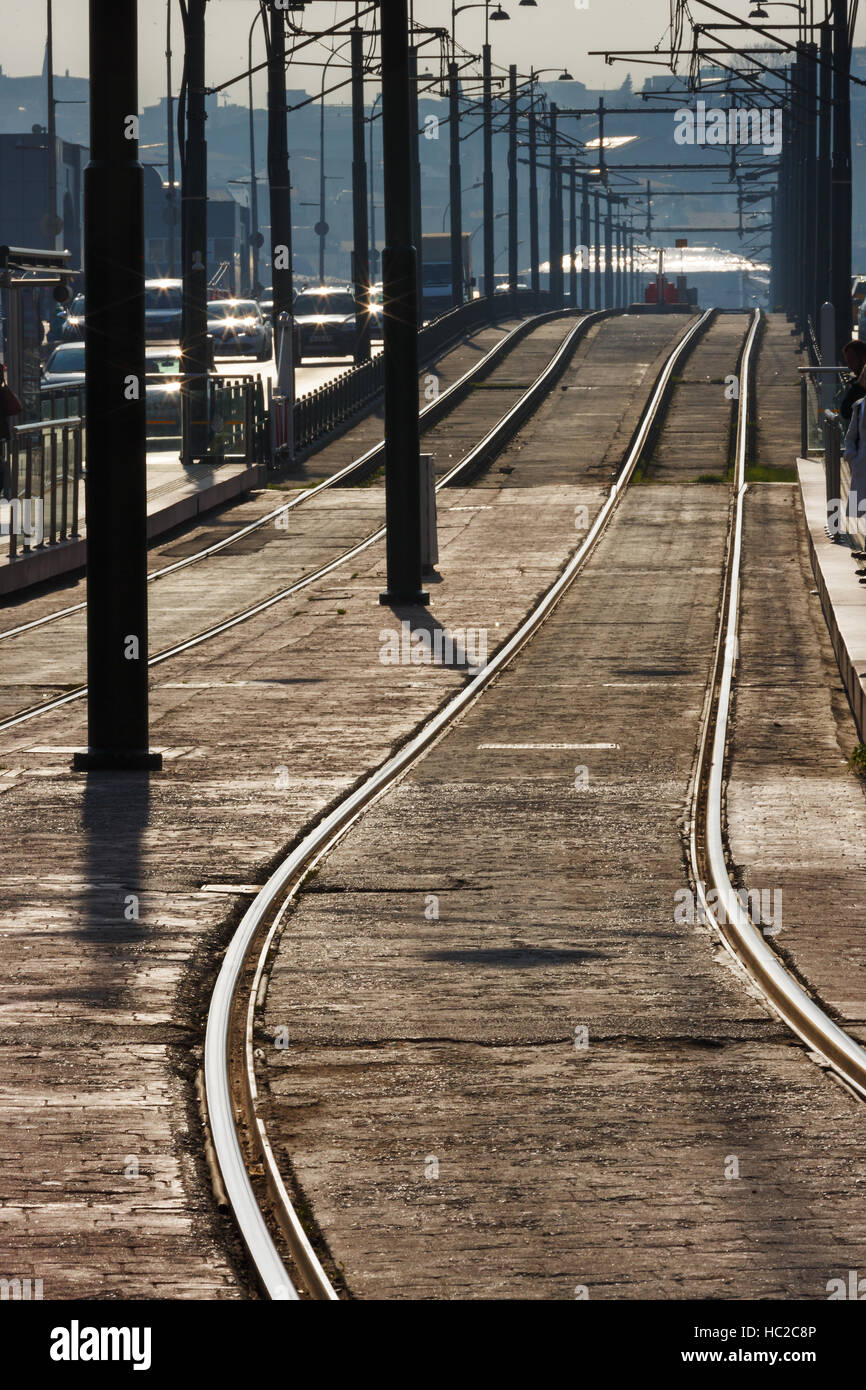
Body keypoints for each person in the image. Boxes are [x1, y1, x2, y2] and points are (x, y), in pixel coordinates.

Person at [838, 340, 866, 423]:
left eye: (852, 361)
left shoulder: (858, 386)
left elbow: (846, 412)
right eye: (848, 363)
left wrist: (858, 385)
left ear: (864, 359)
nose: (850, 367)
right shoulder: (856, 384)